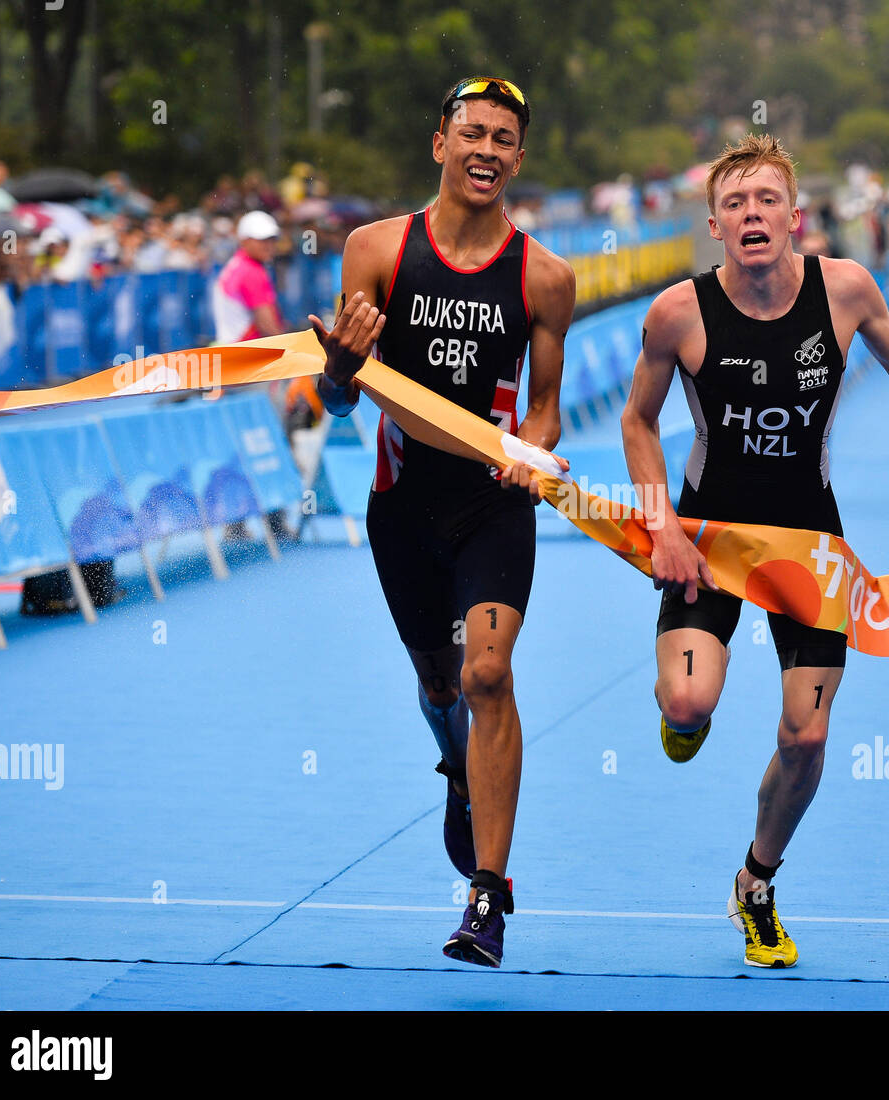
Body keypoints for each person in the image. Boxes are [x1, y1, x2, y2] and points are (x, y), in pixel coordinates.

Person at [620, 134, 889, 969]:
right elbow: (637, 422)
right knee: (687, 706)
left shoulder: (846, 288)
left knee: (807, 738)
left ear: (795, 216)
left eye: (766, 200)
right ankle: (685, 711)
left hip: (811, 547)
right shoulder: (677, 312)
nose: (753, 214)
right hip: (707, 539)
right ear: (716, 225)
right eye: (736, 204)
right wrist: (662, 526)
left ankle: (756, 882)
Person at [308, 76, 575, 968]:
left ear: (520, 158)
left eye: (504, 138)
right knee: (441, 687)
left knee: (489, 675)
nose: (487, 150)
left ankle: (487, 899)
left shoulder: (545, 276)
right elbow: (339, 404)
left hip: (493, 507)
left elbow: (546, 413)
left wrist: (531, 455)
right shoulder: (376, 250)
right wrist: (338, 373)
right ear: (440, 144)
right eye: (473, 133)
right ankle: (457, 766)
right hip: (402, 506)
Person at [212, 211, 285, 343]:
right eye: (262, 240)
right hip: (245, 351)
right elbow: (268, 327)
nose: (269, 245)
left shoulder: (237, 264)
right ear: (244, 241)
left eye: (272, 239)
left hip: (231, 347)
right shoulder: (251, 271)